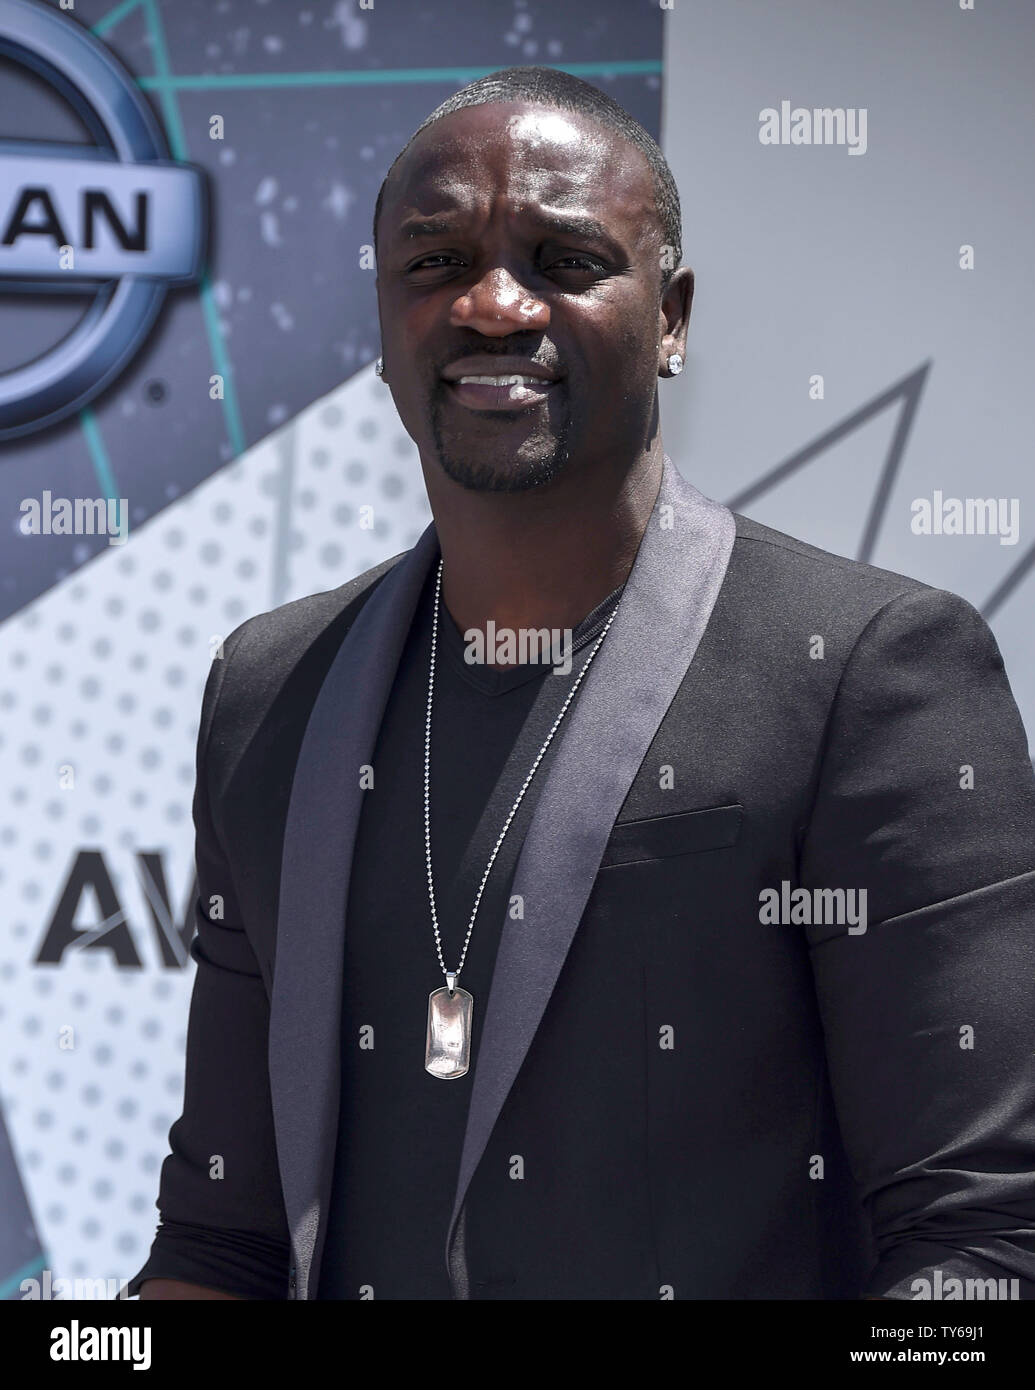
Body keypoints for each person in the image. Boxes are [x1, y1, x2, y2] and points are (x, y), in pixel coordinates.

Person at [130, 65, 1035, 1301]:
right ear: (386, 318)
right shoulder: (269, 690)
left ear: (672, 318)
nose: (495, 305)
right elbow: (219, 1242)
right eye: (437, 263)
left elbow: (981, 1241)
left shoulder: (872, 670)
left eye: (563, 260)